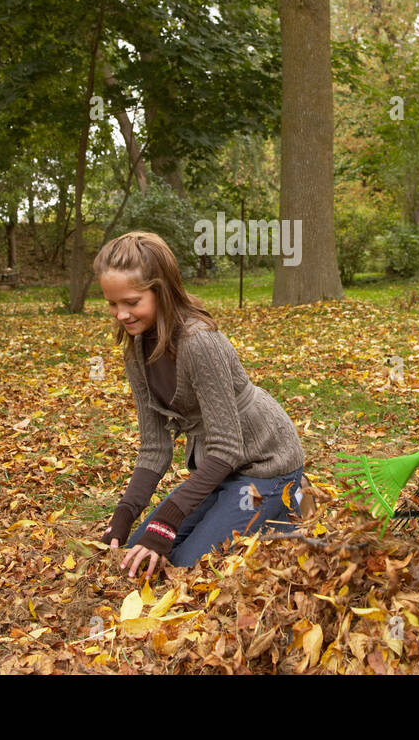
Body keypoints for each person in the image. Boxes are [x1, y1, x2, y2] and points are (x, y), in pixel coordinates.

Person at [94, 232, 307, 580]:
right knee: (137, 555)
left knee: (188, 568)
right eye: (112, 304)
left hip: (266, 467)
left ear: (161, 290)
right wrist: (125, 515)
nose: (121, 314)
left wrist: (165, 523)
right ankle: (234, 508)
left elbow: (227, 447)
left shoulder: (198, 342)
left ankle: (286, 503)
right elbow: (154, 447)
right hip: (220, 470)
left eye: (132, 302)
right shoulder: (136, 350)